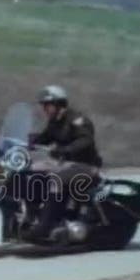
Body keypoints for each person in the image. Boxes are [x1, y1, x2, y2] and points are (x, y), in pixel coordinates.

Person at [27, 85, 103, 241]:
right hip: (66, 164)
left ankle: (45, 225)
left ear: (59, 104)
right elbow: (45, 137)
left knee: (56, 177)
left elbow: (85, 140)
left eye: (47, 105)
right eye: (44, 105)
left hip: (86, 166)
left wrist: (66, 150)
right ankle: (31, 216)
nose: (45, 109)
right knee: (30, 171)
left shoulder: (77, 120)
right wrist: (29, 141)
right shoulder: (55, 121)